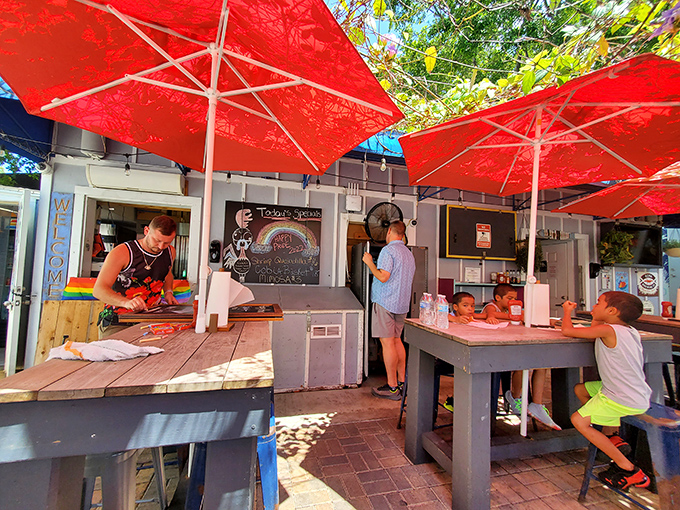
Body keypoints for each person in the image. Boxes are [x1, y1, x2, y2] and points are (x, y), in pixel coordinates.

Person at [561, 292, 651, 491]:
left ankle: (629, 469)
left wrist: (567, 311)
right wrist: (595, 316)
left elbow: (567, 330)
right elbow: (595, 330)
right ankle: (612, 436)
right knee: (581, 389)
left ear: (611, 311)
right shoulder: (629, 331)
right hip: (634, 392)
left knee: (578, 420)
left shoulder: (608, 330)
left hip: (621, 396)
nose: (594, 305)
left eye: (598, 303)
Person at [483, 283, 560, 430]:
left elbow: (524, 317)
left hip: (514, 347)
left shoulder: (512, 309)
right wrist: (518, 315)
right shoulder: (491, 306)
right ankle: (515, 397)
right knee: (521, 365)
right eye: (509, 298)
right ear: (497, 298)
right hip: (497, 351)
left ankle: (535, 404)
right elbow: (492, 314)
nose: (513, 301)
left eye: (515, 298)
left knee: (541, 365)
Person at [94, 215, 179, 339]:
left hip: (151, 319)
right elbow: (99, 290)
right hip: (119, 320)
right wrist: (126, 302)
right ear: (146, 231)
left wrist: (168, 292)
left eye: (166, 242)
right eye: (157, 240)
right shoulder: (123, 252)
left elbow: (167, 272)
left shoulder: (170, 251)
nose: (160, 246)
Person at [362, 220, 415, 400]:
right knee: (397, 340)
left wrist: (369, 262)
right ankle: (402, 383)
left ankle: (392, 387)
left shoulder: (388, 250)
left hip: (385, 302)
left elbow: (383, 277)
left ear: (390, 231)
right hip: (402, 304)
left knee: (387, 344)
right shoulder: (408, 253)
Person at [441, 292, 500, 411]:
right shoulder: (450, 316)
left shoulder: (471, 318)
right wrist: (455, 319)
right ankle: (456, 400)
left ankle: (482, 403)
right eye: (466, 306)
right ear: (456, 307)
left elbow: (486, 314)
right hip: (451, 356)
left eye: (472, 306)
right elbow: (440, 315)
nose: (470, 309)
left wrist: (490, 317)